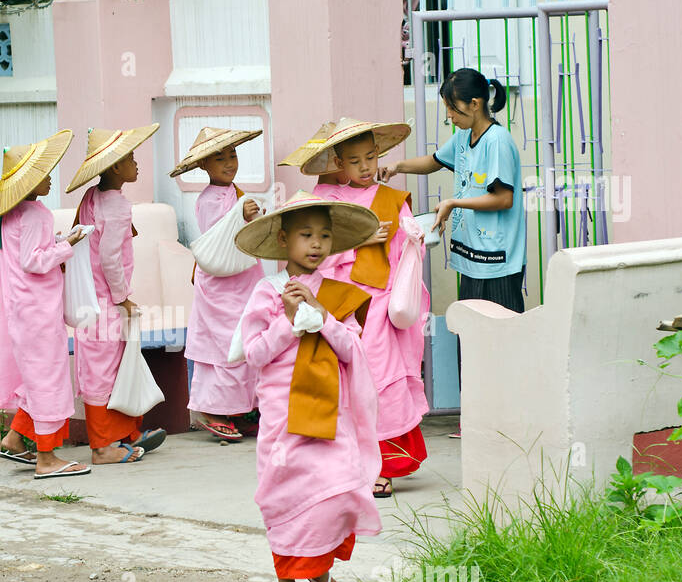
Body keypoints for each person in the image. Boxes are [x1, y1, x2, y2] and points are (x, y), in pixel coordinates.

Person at [233, 191, 383, 582]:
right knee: (286, 497)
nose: (315, 244)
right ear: (283, 241)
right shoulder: (266, 292)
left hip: (329, 412)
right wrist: (288, 320)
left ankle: (318, 568)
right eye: (305, 235)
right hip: (282, 415)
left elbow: (354, 352)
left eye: (323, 236)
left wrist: (321, 315)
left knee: (335, 490)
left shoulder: (338, 293)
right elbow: (255, 354)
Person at [282, 117, 430, 498]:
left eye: (371, 156)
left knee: (380, 379)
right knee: (339, 382)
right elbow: (314, 255)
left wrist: (412, 236)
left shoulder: (392, 199)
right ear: (338, 162)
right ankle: (341, 464)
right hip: (338, 303)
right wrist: (359, 240)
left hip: (379, 305)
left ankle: (385, 463)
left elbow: (411, 251)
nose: (365, 167)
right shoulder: (327, 201)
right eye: (354, 160)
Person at [0, 130, 93, 479]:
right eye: (44, 174)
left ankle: (16, 438)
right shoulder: (33, 214)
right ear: (29, 182)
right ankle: (47, 458)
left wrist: (59, 242)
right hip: (38, 312)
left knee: (36, 376)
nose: (50, 178)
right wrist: (70, 243)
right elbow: (34, 261)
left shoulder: (13, 216)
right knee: (47, 378)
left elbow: (24, 256)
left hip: (23, 310)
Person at [379, 67, 524, 312]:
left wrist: (453, 203)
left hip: (496, 260)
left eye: (452, 108)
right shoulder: (463, 138)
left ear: (475, 104)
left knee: (501, 339)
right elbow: (433, 161)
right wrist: (397, 167)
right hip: (472, 258)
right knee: (469, 338)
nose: (449, 116)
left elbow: (503, 198)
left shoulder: (497, 140)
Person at [65, 125, 167, 464]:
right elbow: (110, 258)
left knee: (106, 367)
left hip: (88, 299)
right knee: (105, 372)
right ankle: (102, 447)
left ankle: (128, 433)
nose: (136, 165)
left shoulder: (92, 198)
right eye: (130, 159)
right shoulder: (118, 205)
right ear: (113, 168)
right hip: (106, 301)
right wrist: (122, 297)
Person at [172, 127, 266, 443]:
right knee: (223, 347)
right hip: (221, 284)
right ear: (204, 166)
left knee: (247, 338)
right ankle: (213, 410)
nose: (229, 163)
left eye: (233, 155)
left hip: (244, 278)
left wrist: (251, 214)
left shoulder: (235, 191)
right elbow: (218, 235)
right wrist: (241, 212)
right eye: (220, 158)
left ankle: (243, 409)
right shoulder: (208, 199)